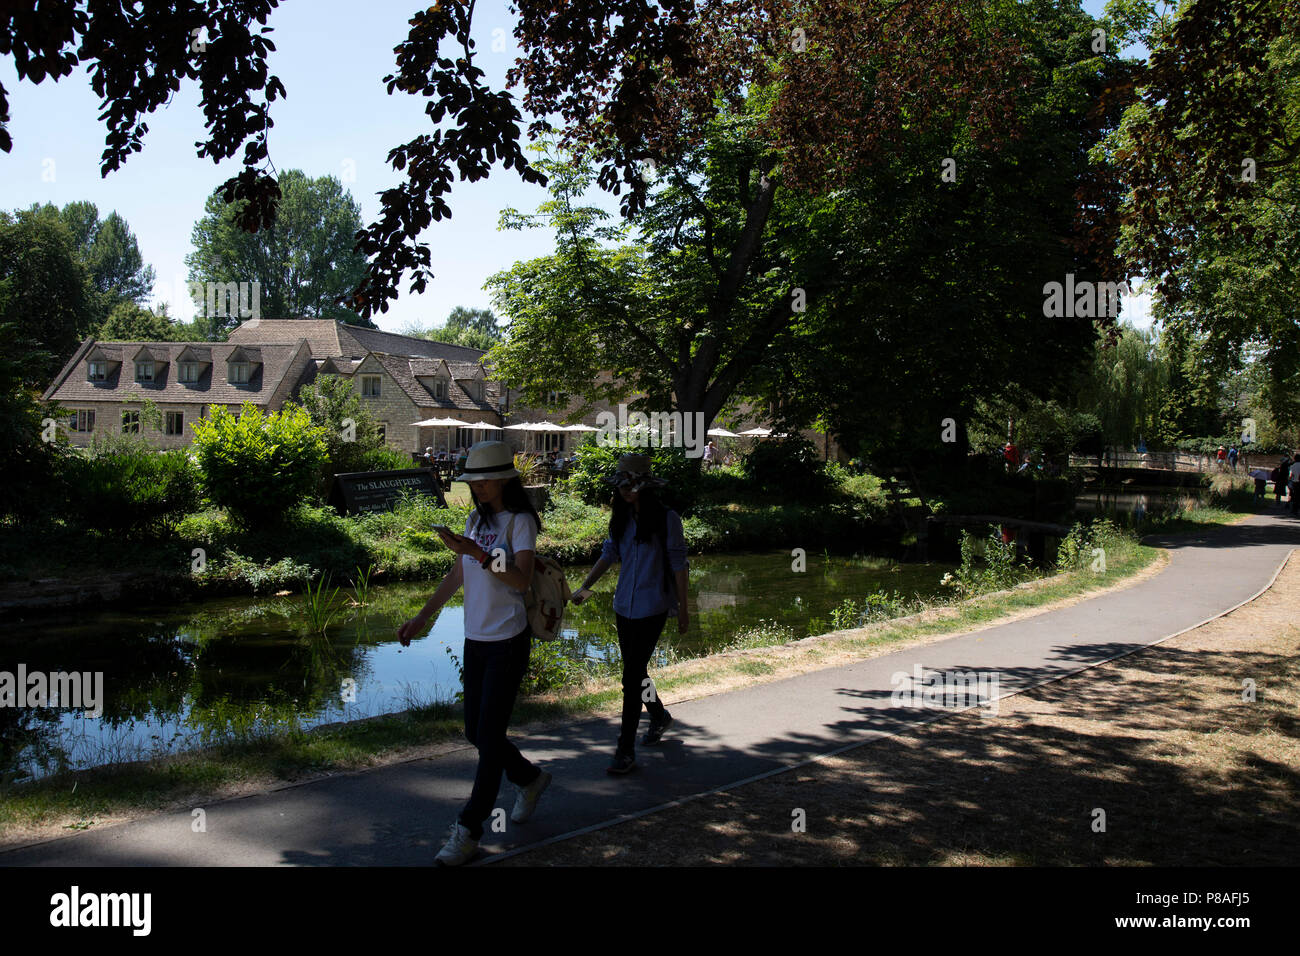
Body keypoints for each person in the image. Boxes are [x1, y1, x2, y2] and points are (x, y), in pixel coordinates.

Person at [396, 441, 551, 866]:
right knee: (475, 733)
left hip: (508, 641)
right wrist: (422, 617)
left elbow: (520, 581)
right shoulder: (474, 518)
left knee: (486, 740)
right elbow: (457, 574)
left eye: (482, 480)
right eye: (472, 481)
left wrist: (478, 553)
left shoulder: (520, 522)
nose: (476, 488)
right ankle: (530, 778)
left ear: (504, 479)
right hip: (475, 640)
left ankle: (468, 831)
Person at [571, 454, 689, 775]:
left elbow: (679, 566)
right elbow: (609, 553)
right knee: (635, 671)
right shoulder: (621, 517)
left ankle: (625, 749)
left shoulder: (667, 520)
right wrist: (585, 587)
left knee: (630, 677)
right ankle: (659, 714)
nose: (625, 491)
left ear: (646, 487)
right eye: (621, 485)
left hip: (654, 607)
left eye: (631, 485)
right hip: (624, 606)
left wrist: (683, 610)